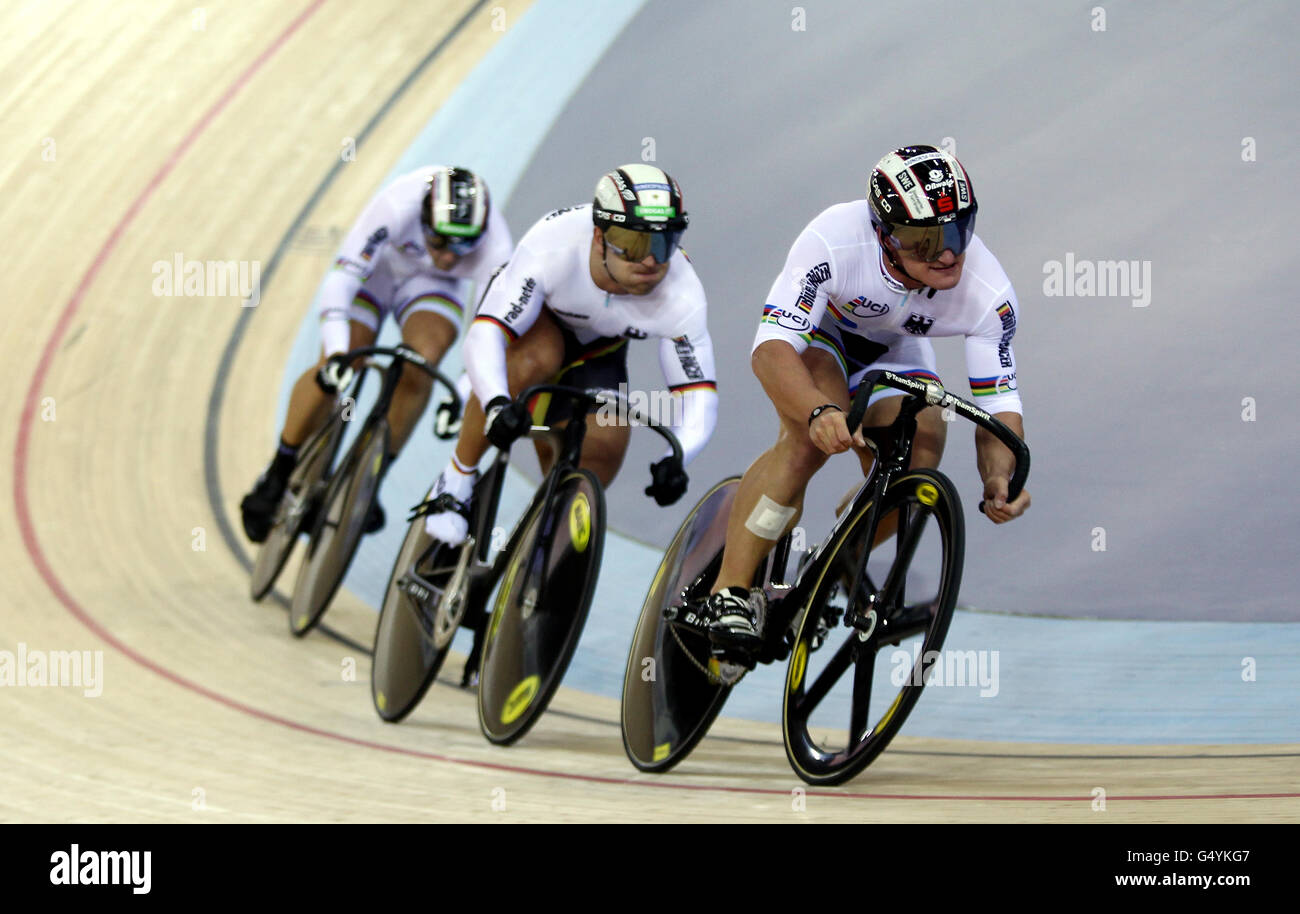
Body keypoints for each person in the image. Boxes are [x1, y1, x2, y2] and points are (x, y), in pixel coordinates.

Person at [704, 145, 1031, 648]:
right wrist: (817, 411)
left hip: (899, 352)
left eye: (957, 231)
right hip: (825, 340)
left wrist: (999, 476)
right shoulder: (835, 239)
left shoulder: (988, 291)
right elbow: (771, 351)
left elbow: (998, 406)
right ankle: (729, 591)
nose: (946, 253)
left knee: (918, 463)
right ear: (884, 234)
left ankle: (831, 564)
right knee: (809, 441)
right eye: (923, 241)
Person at [421, 163, 718, 547]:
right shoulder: (553, 245)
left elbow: (699, 392)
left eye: (665, 242)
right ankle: (456, 479)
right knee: (539, 356)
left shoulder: (682, 294)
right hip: (538, 323)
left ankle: (536, 548)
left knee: (605, 445)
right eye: (634, 243)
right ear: (599, 237)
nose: (650, 261)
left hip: (599, 351)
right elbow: (487, 333)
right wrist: (496, 403)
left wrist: (677, 456)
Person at [239, 165, 512, 542]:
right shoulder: (398, 204)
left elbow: (491, 334)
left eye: (463, 247)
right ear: (424, 219)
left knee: (422, 363)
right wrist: (336, 354)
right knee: (344, 359)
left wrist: (461, 394)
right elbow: (342, 279)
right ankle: (279, 469)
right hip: (376, 271)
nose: (450, 257)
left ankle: (369, 479)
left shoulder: (496, 248)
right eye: (440, 242)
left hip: (431, 287)